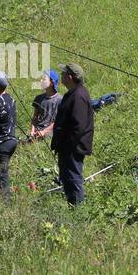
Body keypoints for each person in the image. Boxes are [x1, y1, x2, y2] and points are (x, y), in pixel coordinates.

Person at [50, 63, 94, 205]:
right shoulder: (73, 93)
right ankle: (73, 205)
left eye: (63, 74)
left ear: (69, 77)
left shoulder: (79, 96)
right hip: (68, 146)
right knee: (67, 178)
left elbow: (78, 126)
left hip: (73, 147)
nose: (61, 76)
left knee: (73, 178)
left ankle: (77, 208)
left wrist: (67, 145)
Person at [28, 69, 62, 142]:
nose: (41, 81)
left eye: (44, 79)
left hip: (51, 135)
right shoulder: (38, 98)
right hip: (37, 133)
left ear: (51, 83)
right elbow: (35, 117)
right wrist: (32, 131)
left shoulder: (61, 100)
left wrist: (44, 131)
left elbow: (59, 121)